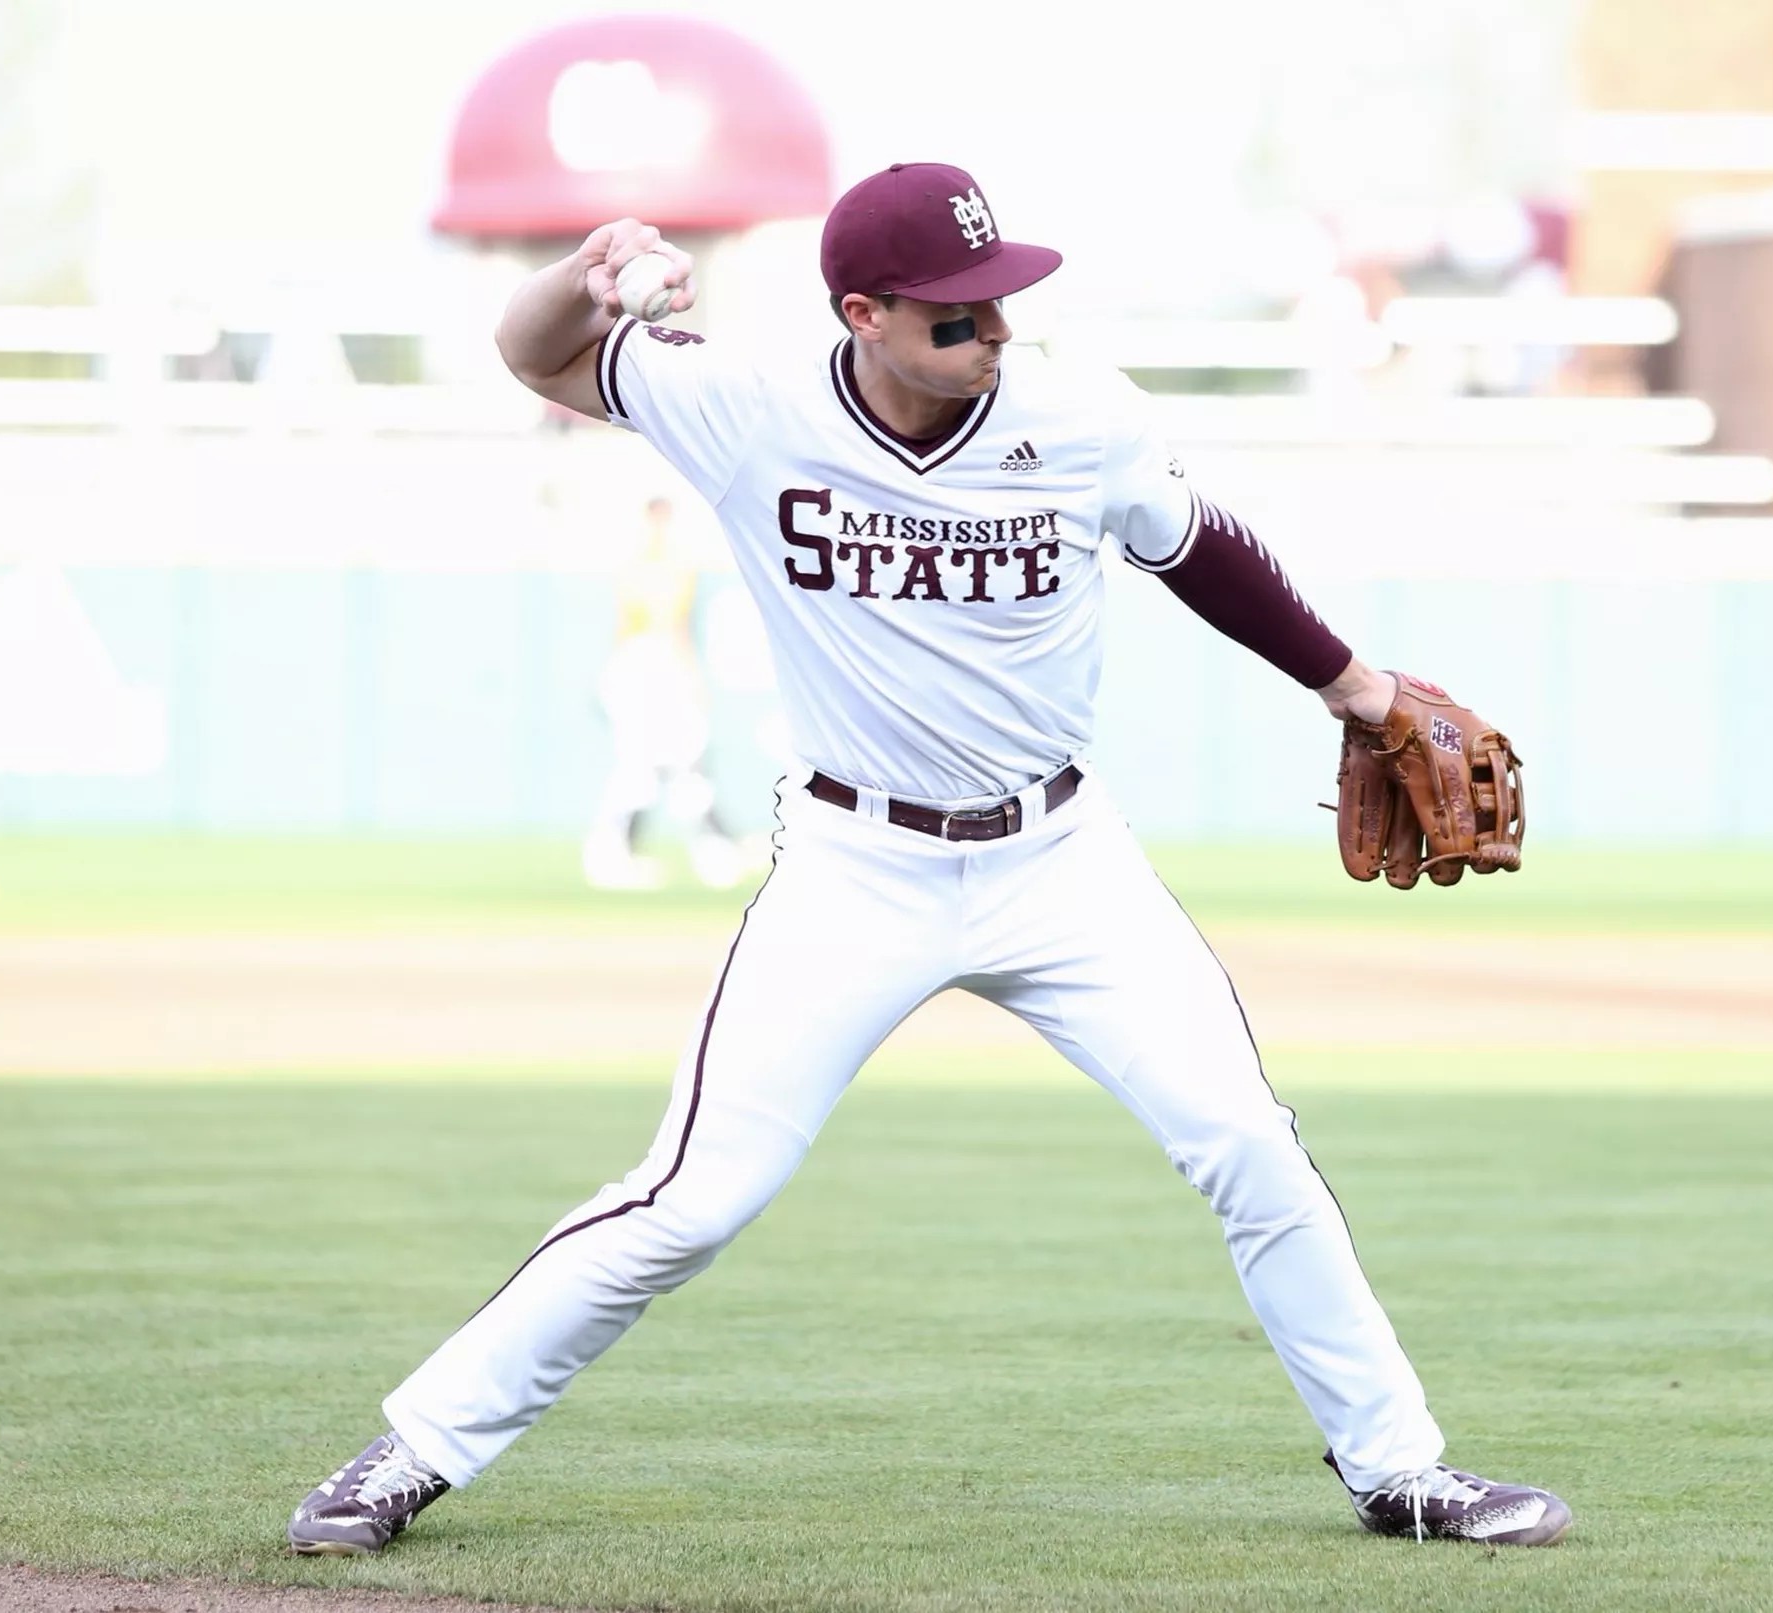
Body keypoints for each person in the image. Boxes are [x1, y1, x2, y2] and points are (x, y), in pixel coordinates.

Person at [287, 163, 1570, 1555]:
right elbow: (533, 354)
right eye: (958, 319)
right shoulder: (744, 403)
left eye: (1003, 305)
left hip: (1063, 863)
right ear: (865, 314)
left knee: (1252, 1145)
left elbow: (1204, 552)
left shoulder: (1080, 419)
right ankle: (410, 1451)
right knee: (690, 1200)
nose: (995, 334)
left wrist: (1362, 691)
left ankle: (1401, 1470)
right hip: (855, 866)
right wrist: (581, 279)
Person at [580, 493, 751, 891]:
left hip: (648, 664)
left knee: (675, 767)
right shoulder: (653, 566)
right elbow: (662, 625)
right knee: (653, 766)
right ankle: (613, 854)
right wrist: (689, 676)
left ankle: (708, 852)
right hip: (649, 666)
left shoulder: (660, 564)